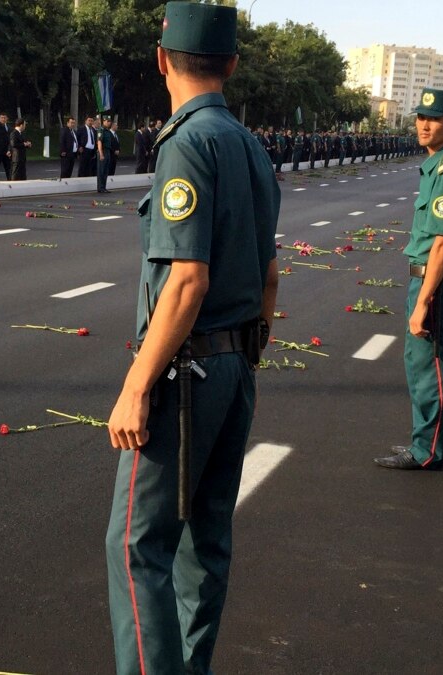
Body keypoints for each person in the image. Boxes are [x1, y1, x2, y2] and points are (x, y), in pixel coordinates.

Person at [104, 4, 281, 673]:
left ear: (160, 59)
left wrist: (135, 384)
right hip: (235, 366)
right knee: (205, 544)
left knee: (137, 548)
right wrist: (245, 355)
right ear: (231, 65)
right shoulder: (250, 147)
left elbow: (185, 283)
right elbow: (267, 276)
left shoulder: (187, 143)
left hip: (188, 373)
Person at [375, 87, 443, 471]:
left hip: (435, 281)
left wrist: (422, 303)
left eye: (434, 119)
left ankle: (428, 451)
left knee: (430, 367)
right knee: (428, 364)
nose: (424, 124)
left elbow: (442, 243)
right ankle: (425, 443)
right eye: (420, 117)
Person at [95, 116, 113, 193]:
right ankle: (100, 187)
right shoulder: (101, 130)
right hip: (103, 151)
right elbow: (99, 142)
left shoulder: (108, 131)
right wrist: (101, 154)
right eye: (107, 121)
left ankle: (104, 187)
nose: (109, 123)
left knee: (105, 170)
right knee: (101, 170)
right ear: (104, 121)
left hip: (108, 151)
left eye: (109, 121)